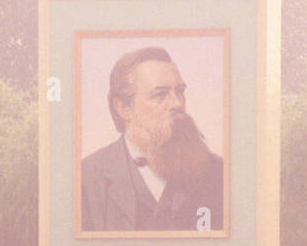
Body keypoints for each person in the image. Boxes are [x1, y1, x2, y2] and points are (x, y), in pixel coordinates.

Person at [81, 46, 224, 232]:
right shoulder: (86, 178)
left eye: (180, 91)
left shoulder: (217, 172)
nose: (177, 104)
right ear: (124, 107)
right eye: (160, 95)